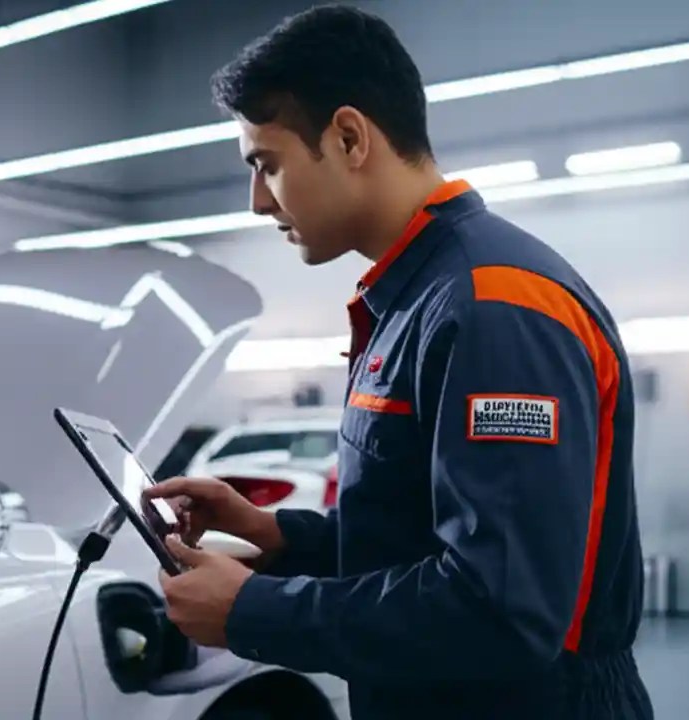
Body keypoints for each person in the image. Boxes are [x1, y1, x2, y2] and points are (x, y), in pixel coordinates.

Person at [145, 5, 654, 719]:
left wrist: (255, 612)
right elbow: (420, 539)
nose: (258, 201)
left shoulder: (493, 305)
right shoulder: (419, 298)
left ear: (349, 137)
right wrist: (278, 536)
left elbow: (497, 612)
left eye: (267, 165)